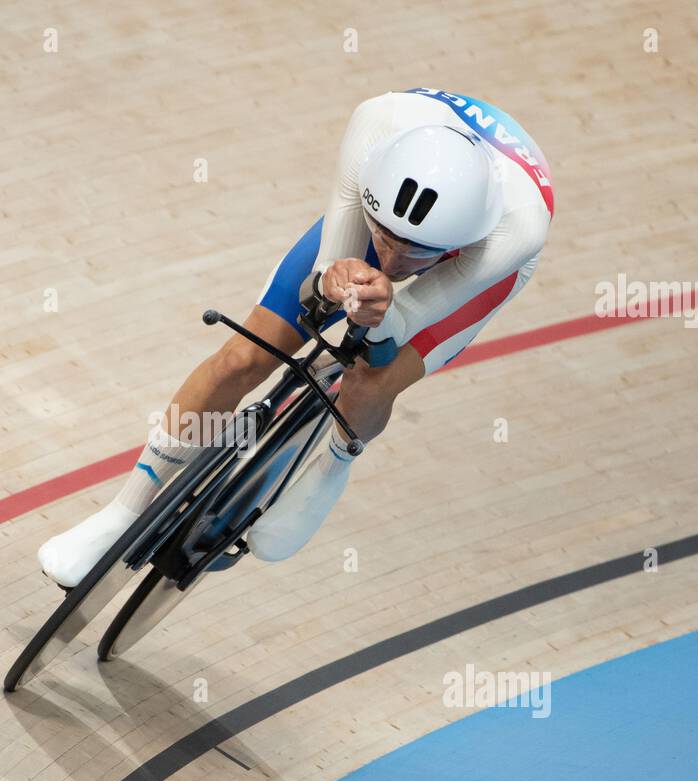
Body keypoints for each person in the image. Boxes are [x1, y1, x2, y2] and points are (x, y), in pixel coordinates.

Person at [38, 86, 554, 588]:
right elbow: (325, 273)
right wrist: (332, 278)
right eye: (386, 240)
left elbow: (401, 324)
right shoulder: (376, 126)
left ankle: (331, 467)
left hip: (475, 263)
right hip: (397, 204)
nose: (395, 261)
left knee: (376, 375)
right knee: (242, 357)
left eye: (415, 252)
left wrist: (382, 314)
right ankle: (123, 510)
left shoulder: (516, 229)